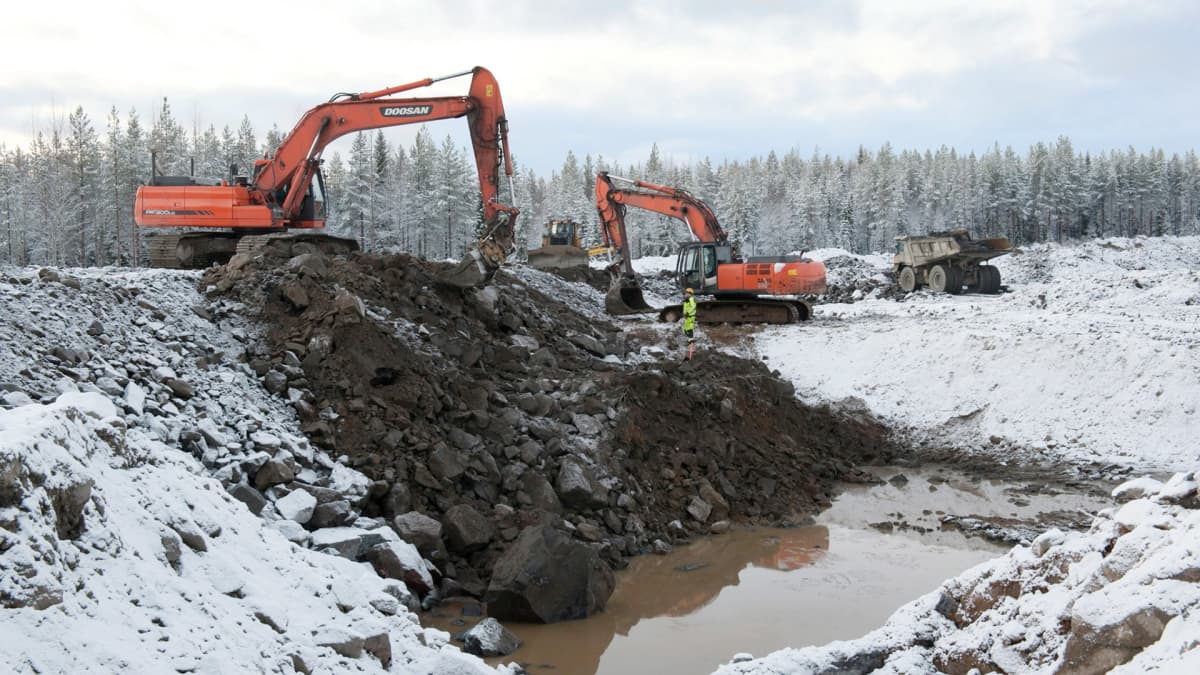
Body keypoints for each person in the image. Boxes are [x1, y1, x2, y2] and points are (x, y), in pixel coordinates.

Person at [682, 287, 698, 360]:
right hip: (687, 317)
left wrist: (688, 313)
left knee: (689, 328)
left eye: (687, 293)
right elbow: (686, 308)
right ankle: (689, 340)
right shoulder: (686, 300)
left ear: (690, 294)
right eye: (685, 293)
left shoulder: (691, 299)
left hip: (690, 316)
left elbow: (693, 307)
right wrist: (685, 314)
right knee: (686, 329)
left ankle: (691, 340)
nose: (685, 294)